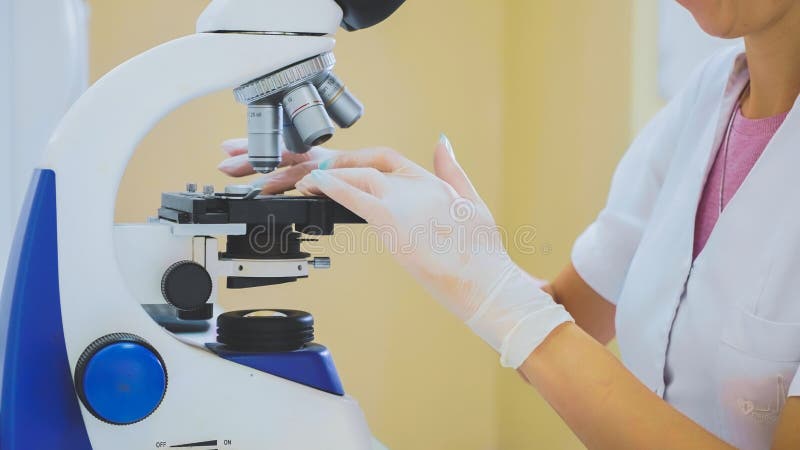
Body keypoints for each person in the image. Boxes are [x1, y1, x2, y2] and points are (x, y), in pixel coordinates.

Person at [217, 1, 800, 448]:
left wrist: (497, 295)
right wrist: (448, 235)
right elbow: (565, 326)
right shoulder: (703, 102)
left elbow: (535, 329)